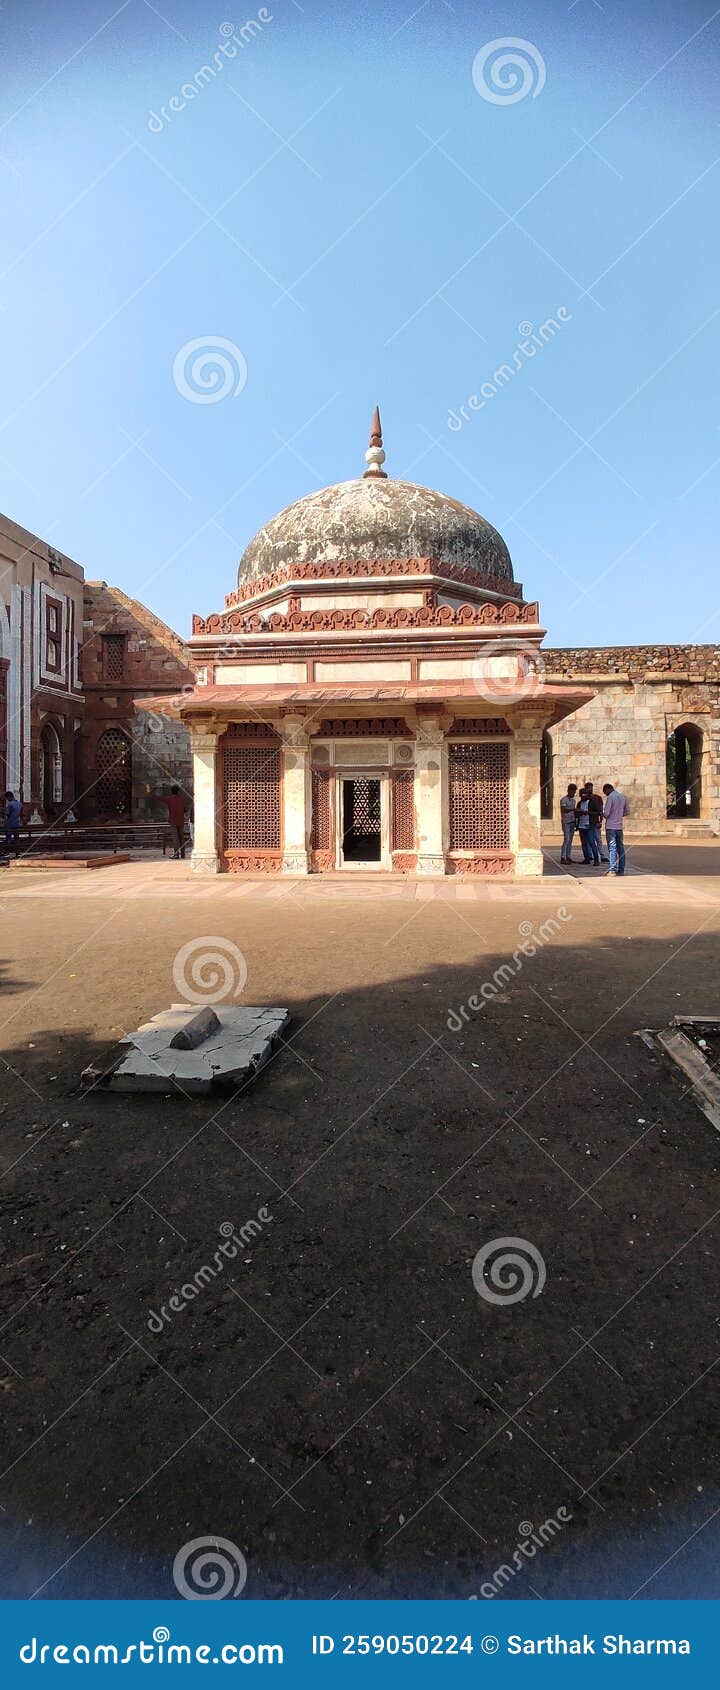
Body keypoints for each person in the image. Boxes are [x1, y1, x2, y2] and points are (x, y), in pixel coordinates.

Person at [602, 782, 629, 876]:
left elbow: (606, 813)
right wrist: (618, 815)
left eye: (605, 792)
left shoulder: (611, 797)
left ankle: (612, 870)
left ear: (607, 789)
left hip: (611, 826)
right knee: (620, 848)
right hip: (619, 826)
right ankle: (621, 870)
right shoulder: (622, 797)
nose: (605, 794)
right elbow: (626, 812)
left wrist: (604, 812)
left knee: (612, 848)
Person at [162, 784, 189, 859]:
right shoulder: (182, 799)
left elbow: (159, 798)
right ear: (178, 791)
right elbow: (185, 810)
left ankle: (176, 853)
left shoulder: (169, 799)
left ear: (171, 791)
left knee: (175, 838)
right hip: (181, 820)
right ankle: (183, 853)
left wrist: (151, 792)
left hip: (173, 821)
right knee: (181, 837)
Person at [585, 781, 604, 866]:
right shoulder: (584, 798)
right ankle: (590, 855)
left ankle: (602, 855)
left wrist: (600, 821)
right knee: (589, 840)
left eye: (591, 787)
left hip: (595, 822)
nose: (590, 789)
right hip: (587, 822)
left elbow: (600, 810)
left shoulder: (597, 798)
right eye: (588, 787)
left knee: (598, 839)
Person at [559, 782, 578, 864]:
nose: (573, 793)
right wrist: (572, 810)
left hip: (572, 821)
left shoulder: (573, 800)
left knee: (570, 840)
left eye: (574, 792)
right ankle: (563, 857)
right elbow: (563, 810)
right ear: (568, 791)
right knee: (566, 838)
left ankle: (568, 856)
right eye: (572, 791)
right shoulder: (564, 800)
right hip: (566, 821)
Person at [576, 784, 593, 863]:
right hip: (581, 825)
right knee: (584, 843)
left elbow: (597, 812)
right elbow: (576, 814)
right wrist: (579, 812)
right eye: (581, 796)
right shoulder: (579, 803)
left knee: (592, 842)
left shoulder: (591, 802)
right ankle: (586, 858)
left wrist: (588, 813)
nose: (583, 797)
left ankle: (595, 858)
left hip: (589, 824)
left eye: (584, 795)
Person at [3, 790, 22, 857]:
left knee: (8, 838)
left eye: (7, 798)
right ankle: (17, 852)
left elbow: (7, 813)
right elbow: (20, 813)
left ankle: (7, 852)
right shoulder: (19, 803)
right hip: (17, 823)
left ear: (9, 797)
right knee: (17, 838)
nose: (7, 800)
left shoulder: (10, 804)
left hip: (10, 823)